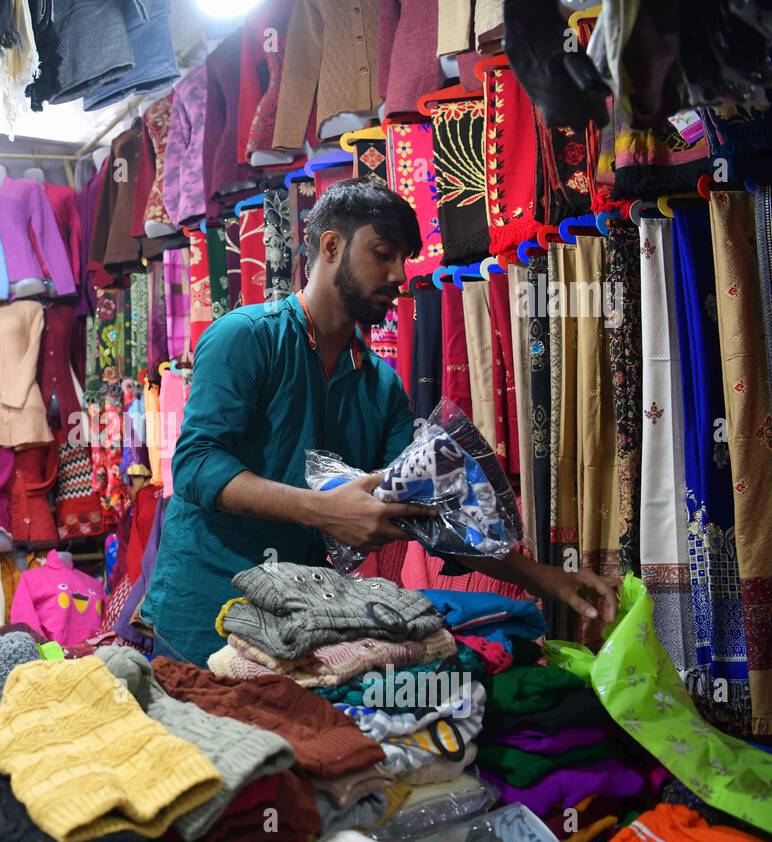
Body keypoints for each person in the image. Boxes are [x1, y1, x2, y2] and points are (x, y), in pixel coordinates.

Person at [139, 179, 620, 665]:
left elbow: (422, 512)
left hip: (295, 626)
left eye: (405, 258)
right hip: (203, 614)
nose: (399, 274)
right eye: (384, 253)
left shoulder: (382, 387)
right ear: (331, 246)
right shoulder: (245, 338)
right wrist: (321, 510)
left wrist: (545, 578)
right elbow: (196, 466)